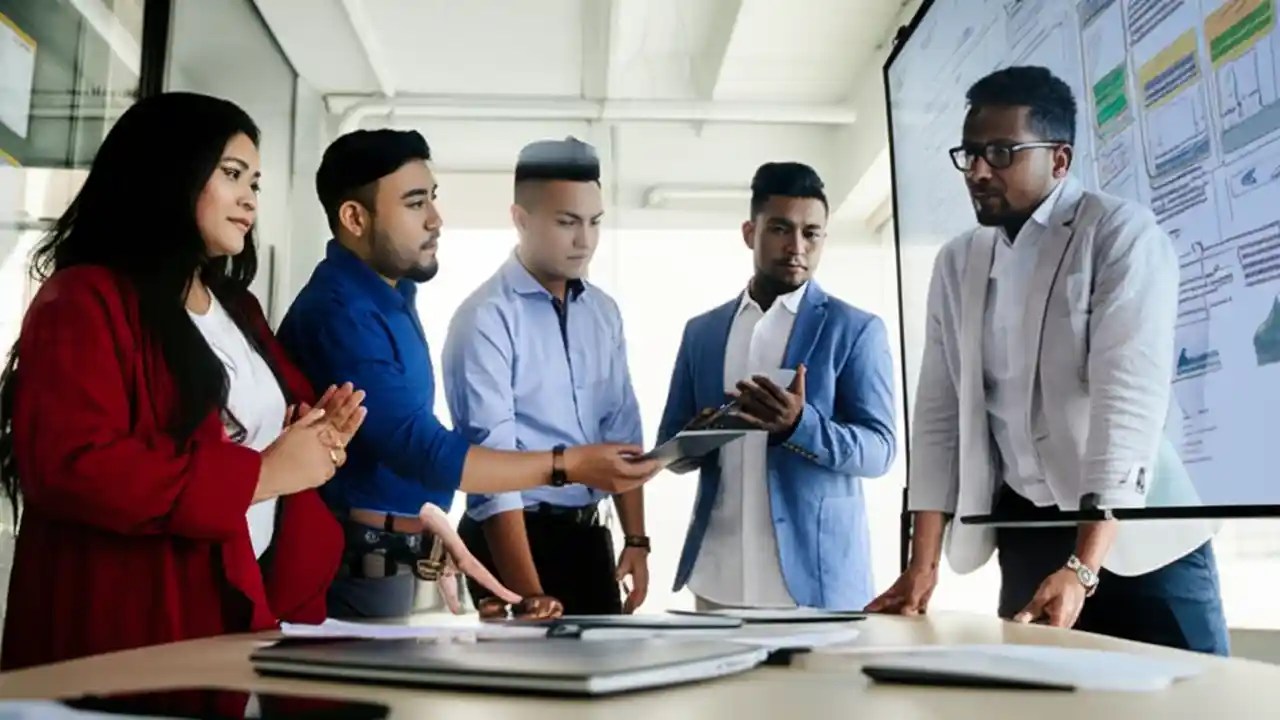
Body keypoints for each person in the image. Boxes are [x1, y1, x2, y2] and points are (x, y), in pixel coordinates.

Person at [866, 66, 1228, 655]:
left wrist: (1084, 568)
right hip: (1028, 534)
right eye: (972, 154)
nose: (979, 171)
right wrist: (921, 566)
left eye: (1002, 153)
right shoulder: (958, 263)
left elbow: (1127, 408)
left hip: (1135, 540)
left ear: (1059, 160)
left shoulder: (1117, 234)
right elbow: (937, 418)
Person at [0, 92, 362, 671]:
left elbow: (258, 436)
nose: (249, 198)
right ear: (171, 173)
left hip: (239, 608)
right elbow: (73, 466)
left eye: (256, 182)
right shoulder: (83, 300)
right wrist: (265, 474)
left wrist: (314, 437)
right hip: (134, 626)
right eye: (232, 174)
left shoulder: (237, 308)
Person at [277, 129, 661, 620]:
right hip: (358, 566)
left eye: (432, 199)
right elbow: (421, 449)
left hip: (412, 562)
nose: (437, 219)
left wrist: (635, 536)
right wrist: (566, 466)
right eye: (416, 203)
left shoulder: (393, 299)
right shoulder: (342, 313)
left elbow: (621, 424)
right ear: (355, 217)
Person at [656, 161, 897, 611]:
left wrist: (798, 426)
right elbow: (669, 450)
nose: (797, 246)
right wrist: (699, 437)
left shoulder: (856, 330)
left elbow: (881, 450)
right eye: (781, 229)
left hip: (816, 584)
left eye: (812, 233)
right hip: (717, 579)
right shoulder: (702, 333)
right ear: (750, 232)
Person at [444, 137, 647, 618]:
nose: (585, 241)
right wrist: (526, 593)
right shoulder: (484, 318)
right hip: (512, 540)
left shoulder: (603, 313)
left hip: (588, 536)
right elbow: (492, 474)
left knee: (608, 684)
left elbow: (622, 432)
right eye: (567, 222)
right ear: (520, 219)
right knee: (527, 689)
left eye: (595, 222)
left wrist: (636, 538)